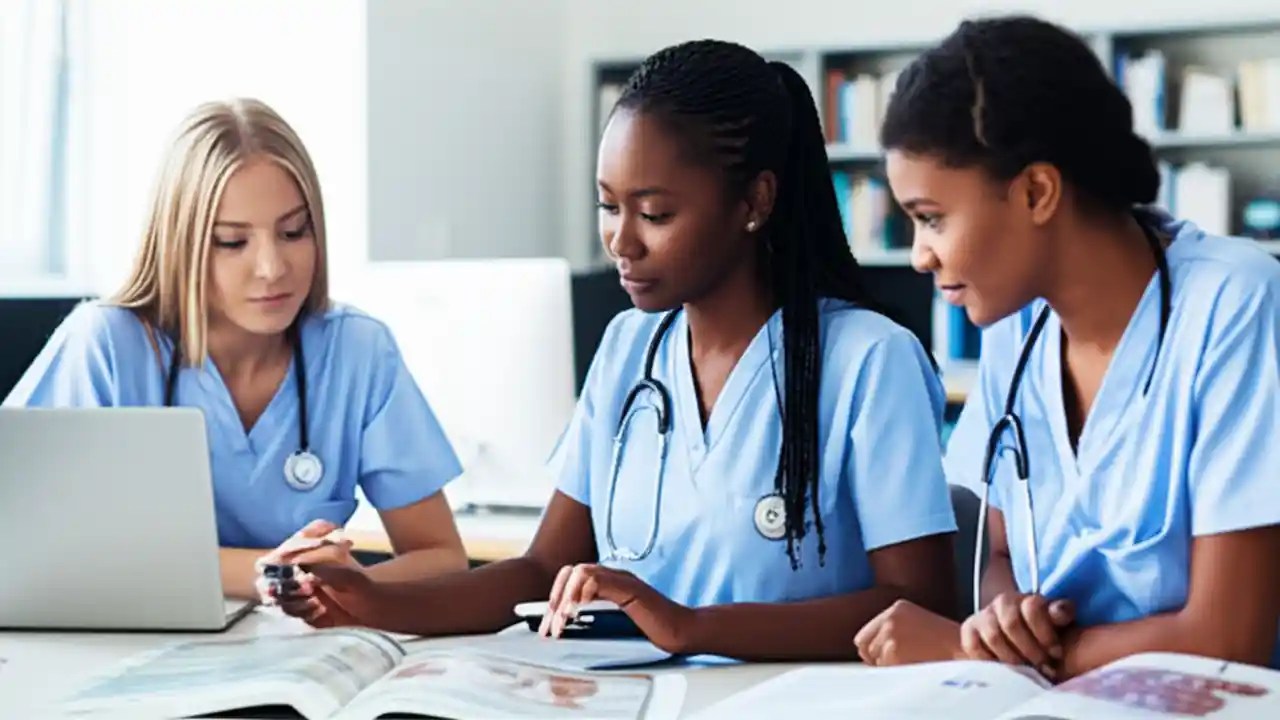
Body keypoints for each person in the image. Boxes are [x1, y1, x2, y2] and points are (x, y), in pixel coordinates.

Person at [268, 39, 958, 661]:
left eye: (655, 214)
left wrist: (690, 626)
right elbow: (542, 571)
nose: (621, 241)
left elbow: (921, 608)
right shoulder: (631, 348)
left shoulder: (870, 360)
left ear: (755, 200)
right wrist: (370, 601)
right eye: (608, 206)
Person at [853, 16, 1280, 678]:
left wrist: (970, 650)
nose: (919, 255)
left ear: (1037, 191)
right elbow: (997, 558)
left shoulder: (1238, 303)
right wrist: (1002, 625)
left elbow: (1228, 640)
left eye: (931, 218)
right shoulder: (1014, 332)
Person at [4, 98, 469, 598]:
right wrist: (275, 574)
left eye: (294, 232)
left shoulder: (357, 350)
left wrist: (336, 592)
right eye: (231, 242)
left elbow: (442, 559)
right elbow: (23, 546)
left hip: (294, 660)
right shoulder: (107, 347)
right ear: (179, 243)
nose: (272, 267)